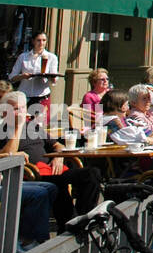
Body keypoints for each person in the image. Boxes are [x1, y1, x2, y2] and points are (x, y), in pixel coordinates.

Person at [1, 91, 102, 229]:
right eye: (16, 108)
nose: (21, 111)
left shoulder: (33, 127)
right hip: (32, 174)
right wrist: (18, 127)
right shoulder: (4, 130)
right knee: (58, 185)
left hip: (53, 169)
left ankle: (85, 217)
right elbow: (7, 155)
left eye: (23, 107)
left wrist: (58, 157)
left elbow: (57, 145)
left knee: (92, 173)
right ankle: (68, 224)